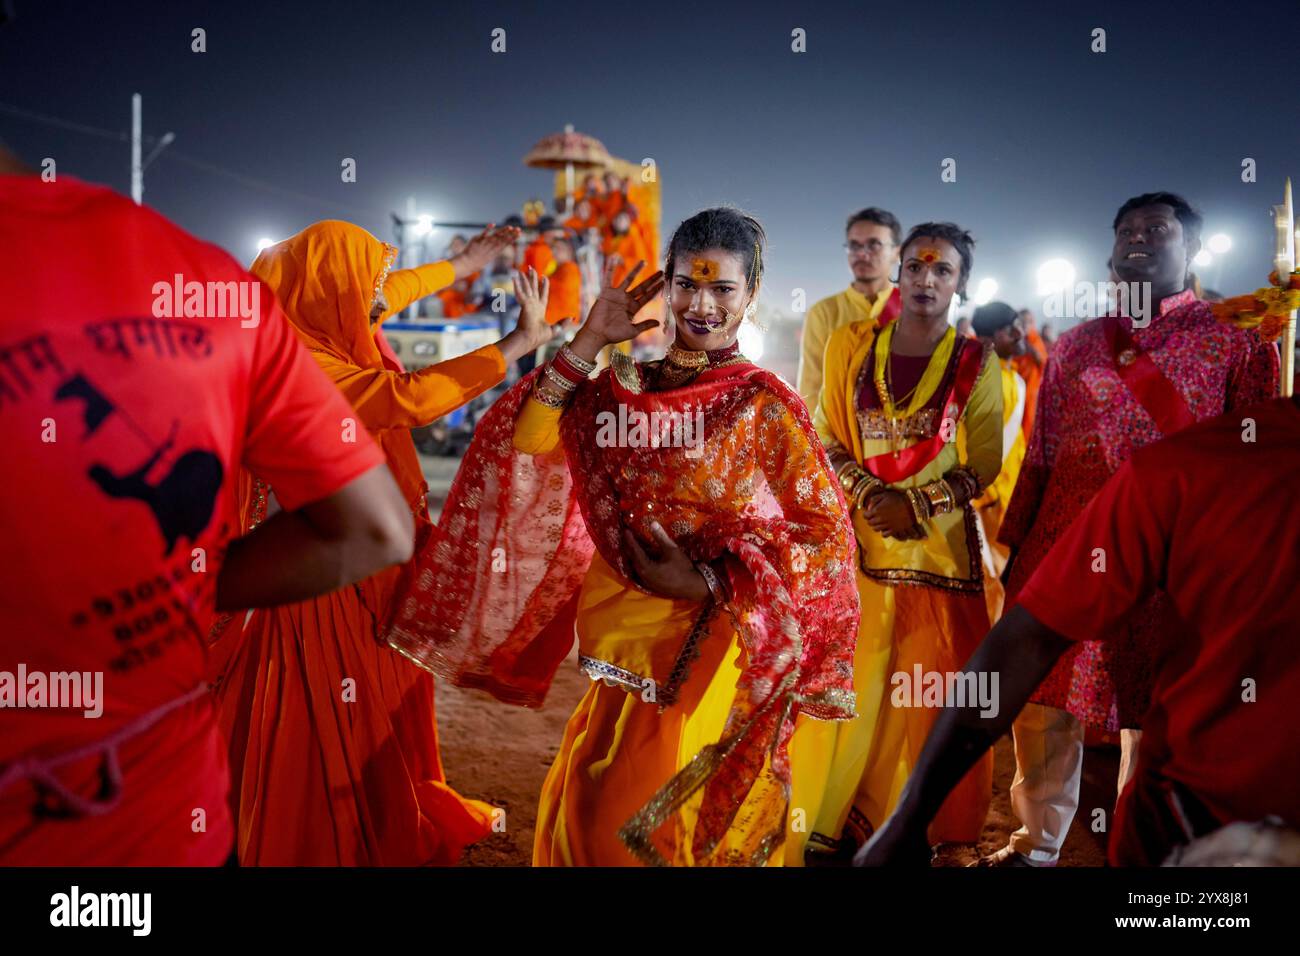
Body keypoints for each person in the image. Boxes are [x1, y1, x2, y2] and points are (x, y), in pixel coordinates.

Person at [386, 208, 861, 866]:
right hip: (619, 656)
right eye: (687, 284)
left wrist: (703, 580)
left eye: (722, 288)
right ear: (664, 286)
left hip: (704, 652)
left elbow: (825, 536)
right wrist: (586, 341)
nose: (701, 304)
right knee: (584, 808)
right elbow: (528, 441)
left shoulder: (759, 403)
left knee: (621, 822)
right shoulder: (620, 392)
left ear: (751, 293)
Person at [0, 156, 415, 864]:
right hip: (165, 810)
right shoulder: (208, 282)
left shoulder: (286, 308)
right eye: (369, 288)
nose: (378, 301)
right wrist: (176, 588)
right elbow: (375, 525)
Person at [209, 220, 556, 865]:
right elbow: (411, 398)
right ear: (330, 291)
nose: (377, 301)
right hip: (329, 578)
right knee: (340, 707)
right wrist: (517, 343)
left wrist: (460, 264)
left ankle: (371, 801)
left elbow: (389, 293)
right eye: (365, 287)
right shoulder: (301, 364)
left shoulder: (316, 320)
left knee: (389, 690)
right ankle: (319, 831)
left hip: (372, 558)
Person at [857, 395, 1300, 867]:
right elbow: (1025, 641)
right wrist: (908, 818)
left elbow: (1025, 640)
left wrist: (908, 819)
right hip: (1190, 825)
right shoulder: (1190, 466)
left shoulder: (1198, 459)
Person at [988, 191, 1279, 867]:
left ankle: (1139, 853)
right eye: (1127, 230)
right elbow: (1043, 449)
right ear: (1110, 253)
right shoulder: (1077, 345)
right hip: (1069, 544)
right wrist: (1020, 545)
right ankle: (1035, 844)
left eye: (1159, 228)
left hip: (1174, 559)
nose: (1140, 238)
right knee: (1045, 703)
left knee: (1152, 715)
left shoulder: (1237, 342)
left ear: (1194, 250)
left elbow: (1253, 458)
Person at [788, 223, 1003, 862]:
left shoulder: (977, 363)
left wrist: (916, 502)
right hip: (863, 549)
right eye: (916, 267)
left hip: (940, 556)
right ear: (900, 273)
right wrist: (868, 496)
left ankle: (930, 833)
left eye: (942, 272)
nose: (926, 281)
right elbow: (823, 433)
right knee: (851, 692)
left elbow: (984, 463)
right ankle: (830, 825)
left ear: (959, 283)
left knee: (937, 698)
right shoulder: (852, 346)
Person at [797, 208, 903, 410]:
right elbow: (811, 388)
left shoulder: (913, 309)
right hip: (838, 435)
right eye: (855, 246)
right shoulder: (823, 312)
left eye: (874, 245)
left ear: (897, 252)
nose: (862, 254)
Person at [969, 302, 1028, 619]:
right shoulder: (981, 379)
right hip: (986, 504)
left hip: (1006, 499)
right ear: (989, 340)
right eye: (1011, 329)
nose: (1020, 333)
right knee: (989, 580)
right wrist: (981, 496)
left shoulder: (1010, 375)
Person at [1011, 308, 1047, 440]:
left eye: (1029, 322)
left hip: (1031, 390)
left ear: (1033, 323)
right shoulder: (1014, 340)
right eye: (1022, 322)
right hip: (1014, 388)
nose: (1025, 325)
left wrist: (1028, 344)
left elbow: (1043, 362)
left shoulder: (1035, 339)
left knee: (1028, 422)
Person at [544, 235, 583, 327]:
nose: (554, 252)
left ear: (569, 251)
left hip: (562, 322)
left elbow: (560, 290)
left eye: (558, 248)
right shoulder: (557, 269)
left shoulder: (570, 268)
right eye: (553, 248)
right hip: (555, 321)